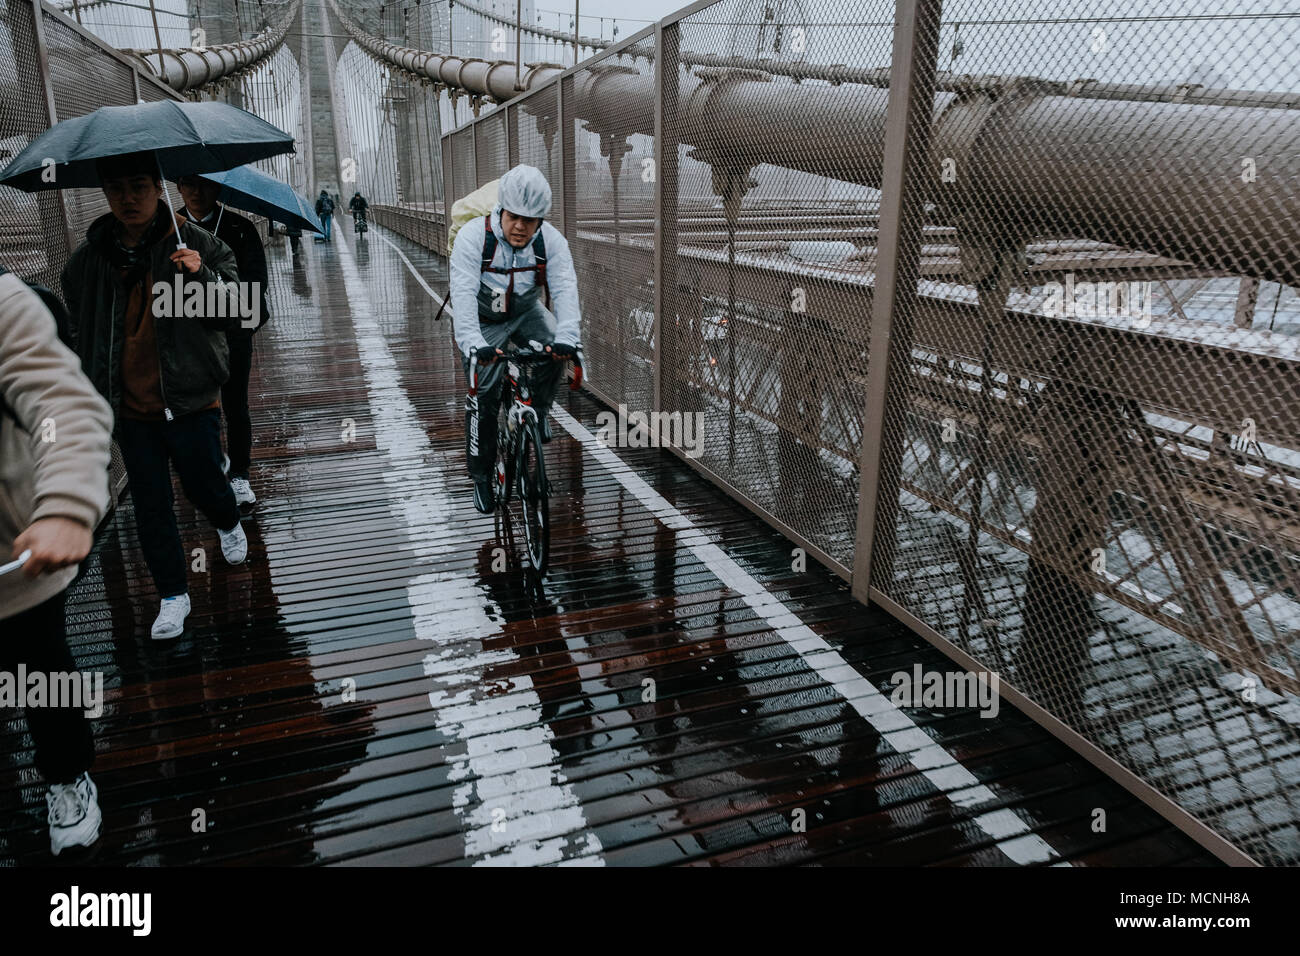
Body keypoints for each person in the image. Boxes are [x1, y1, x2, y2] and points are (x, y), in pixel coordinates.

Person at [60, 151, 247, 641]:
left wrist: (201, 275)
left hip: (189, 398)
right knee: (150, 504)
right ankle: (172, 595)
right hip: (131, 407)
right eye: (117, 188)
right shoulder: (89, 259)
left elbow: (237, 313)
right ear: (103, 192)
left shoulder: (196, 244)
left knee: (204, 484)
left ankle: (227, 520)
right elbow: (80, 326)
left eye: (139, 186)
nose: (128, 198)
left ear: (157, 186)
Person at [0, 263, 113, 855]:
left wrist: (66, 507)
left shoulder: (3, 303)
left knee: (43, 671)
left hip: (18, 560)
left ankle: (68, 776)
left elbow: (60, 406)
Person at [449, 164, 583, 514]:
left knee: (554, 343)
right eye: (514, 217)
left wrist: (568, 337)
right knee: (485, 395)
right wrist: (474, 344)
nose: (521, 226)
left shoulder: (551, 241)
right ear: (500, 210)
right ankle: (480, 474)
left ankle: (537, 412)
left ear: (540, 220)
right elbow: (462, 295)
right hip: (484, 320)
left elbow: (566, 287)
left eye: (531, 219)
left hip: (525, 312)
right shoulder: (473, 238)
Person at [176, 174, 270, 508]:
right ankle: (213, 473)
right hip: (189, 341)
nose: (196, 191)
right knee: (198, 410)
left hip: (233, 334)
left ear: (217, 188)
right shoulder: (171, 231)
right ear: (178, 187)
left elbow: (257, 283)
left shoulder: (241, 229)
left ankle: (240, 475)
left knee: (235, 405)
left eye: (204, 184)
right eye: (189, 184)